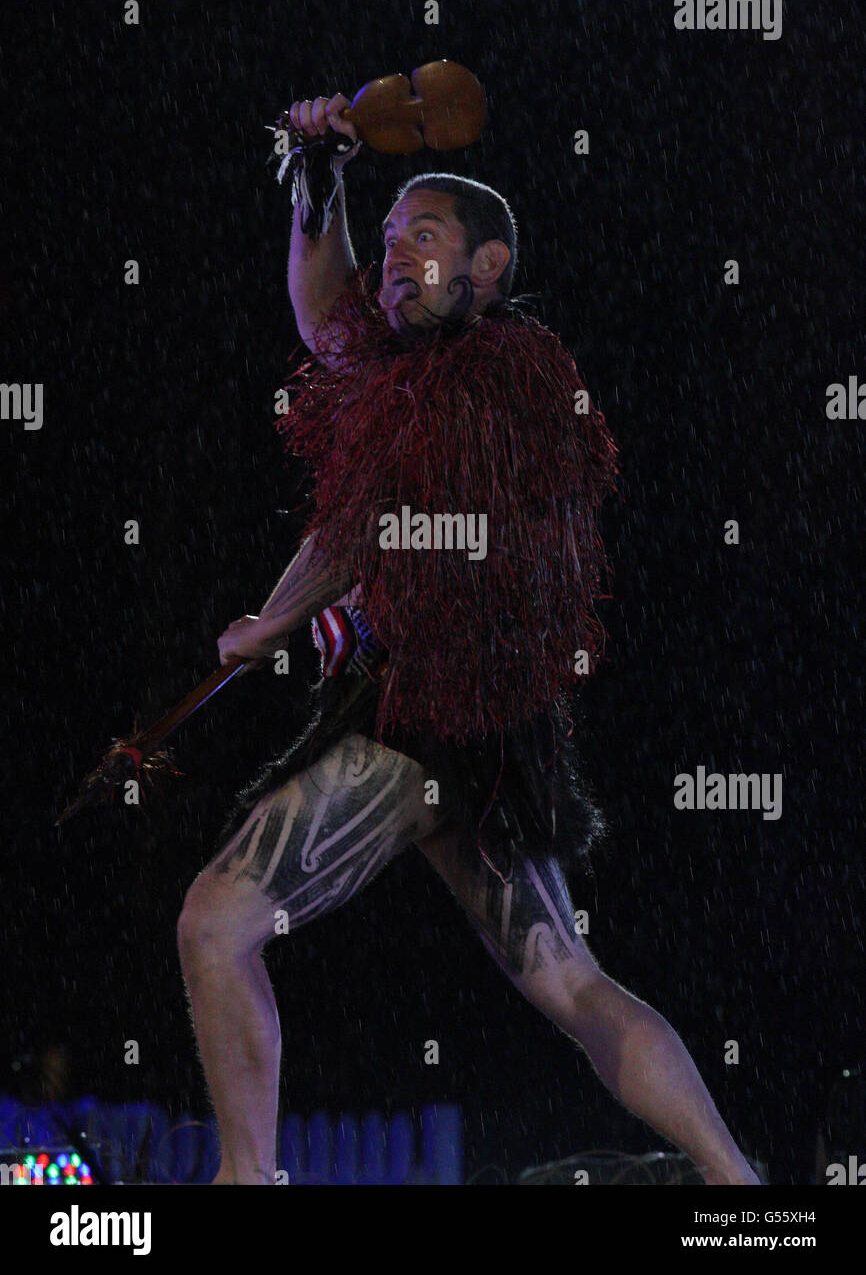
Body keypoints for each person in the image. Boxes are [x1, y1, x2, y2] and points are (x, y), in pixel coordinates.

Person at [177, 92, 762, 1187]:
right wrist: (318, 166)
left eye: (423, 237)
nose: (394, 254)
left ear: (487, 267)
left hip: (424, 712)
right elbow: (323, 319)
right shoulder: (424, 365)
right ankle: (738, 1191)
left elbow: (364, 521)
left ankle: (244, 1181)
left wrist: (268, 622)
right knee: (570, 984)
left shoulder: (491, 374)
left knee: (216, 924)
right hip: (484, 729)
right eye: (388, 236)